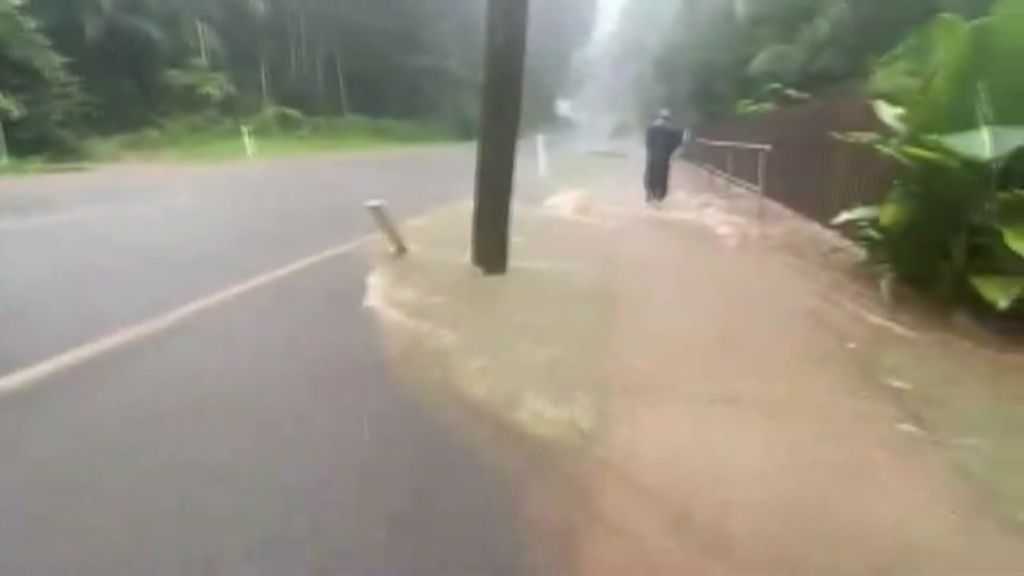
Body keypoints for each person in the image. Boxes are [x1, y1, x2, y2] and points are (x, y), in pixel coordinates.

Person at [644, 109, 683, 203]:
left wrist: (651, 151)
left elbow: (648, 142)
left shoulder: (652, 127)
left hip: (653, 156)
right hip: (665, 157)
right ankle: (660, 196)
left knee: (651, 173)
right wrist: (671, 153)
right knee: (663, 175)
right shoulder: (674, 130)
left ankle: (650, 194)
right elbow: (678, 143)